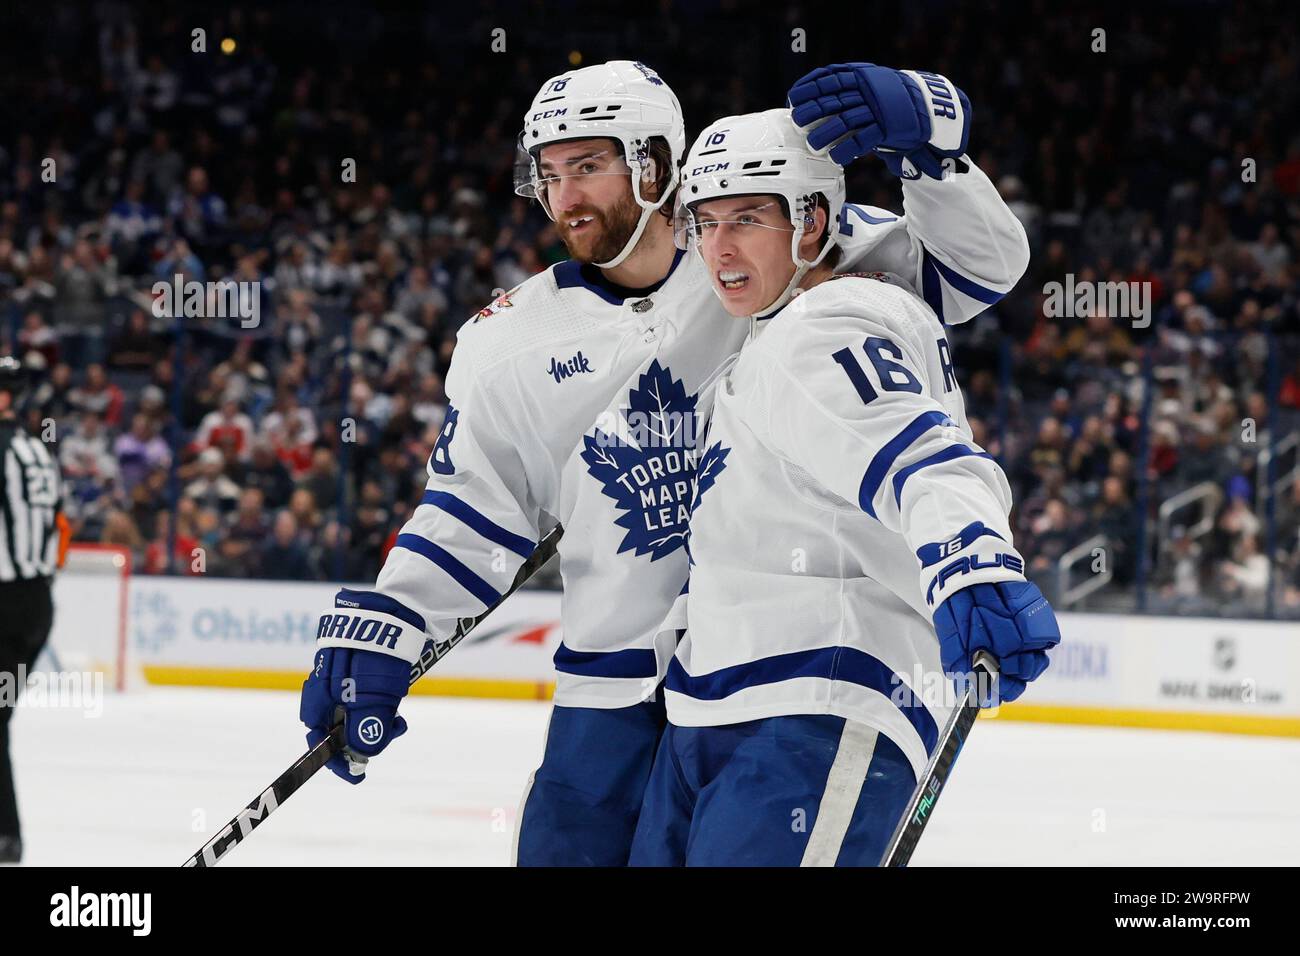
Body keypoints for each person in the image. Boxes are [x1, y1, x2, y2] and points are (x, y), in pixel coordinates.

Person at [299, 59, 1030, 865]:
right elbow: (473, 512)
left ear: (651, 162)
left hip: (785, 673)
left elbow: (973, 273)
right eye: (547, 174)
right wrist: (392, 625)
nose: (564, 197)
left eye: (587, 166)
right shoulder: (507, 343)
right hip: (611, 696)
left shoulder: (779, 251)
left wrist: (936, 150)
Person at [628, 110, 1059, 866]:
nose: (719, 246)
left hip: (816, 700)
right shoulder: (777, 327)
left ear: (813, 221)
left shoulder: (825, 326)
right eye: (706, 222)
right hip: (722, 701)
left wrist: (973, 564)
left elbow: (925, 459)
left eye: (748, 218)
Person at [0, 357, 67, 863]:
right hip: (36, 603)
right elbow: (56, 528)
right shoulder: (38, 452)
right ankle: (8, 835)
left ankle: (8, 836)